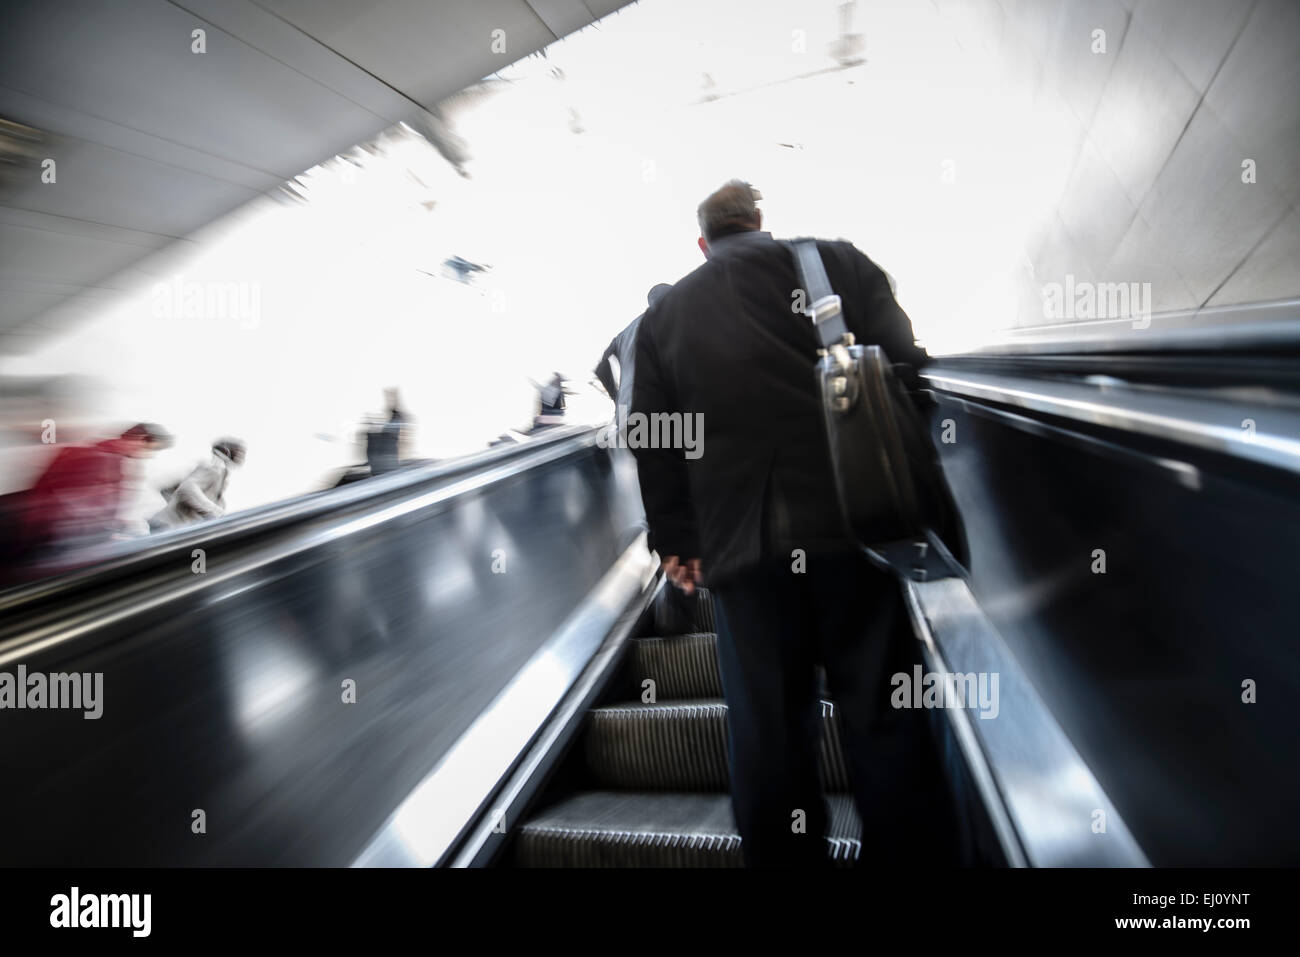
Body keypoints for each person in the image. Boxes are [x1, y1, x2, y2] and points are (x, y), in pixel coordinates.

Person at [630, 179, 952, 866]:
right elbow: (907, 368)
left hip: (742, 555)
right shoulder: (838, 263)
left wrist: (676, 540)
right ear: (759, 221)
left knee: (768, 732)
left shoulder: (663, 318)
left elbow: (651, 434)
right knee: (884, 714)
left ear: (702, 241)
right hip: (857, 533)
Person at [20, 422, 173, 560]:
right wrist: (108, 536)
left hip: (62, 539)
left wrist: (119, 526)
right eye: (154, 449)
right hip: (56, 546)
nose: (152, 456)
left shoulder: (103, 454)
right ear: (141, 439)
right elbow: (68, 514)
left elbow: (91, 507)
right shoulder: (100, 460)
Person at [594, 283, 673, 412]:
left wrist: (617, 398)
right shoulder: (668, 321)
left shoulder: (623, 335)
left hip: (626, 411)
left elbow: (601, 367)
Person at [148, 437, 245, 532]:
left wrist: (182, 511)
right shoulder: (215, 469)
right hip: (168, 527)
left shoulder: (211, 468)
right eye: (239, 452)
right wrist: (215, 513)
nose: (241, 456)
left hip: (163, 523)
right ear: (227, 451)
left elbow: (167, 489)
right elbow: (186, 489)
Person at [365, 388, 406, 476]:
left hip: (387, 470)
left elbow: (397, 419)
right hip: (382, 471)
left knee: (388, 433)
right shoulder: (378, 438)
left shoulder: (387, 436)